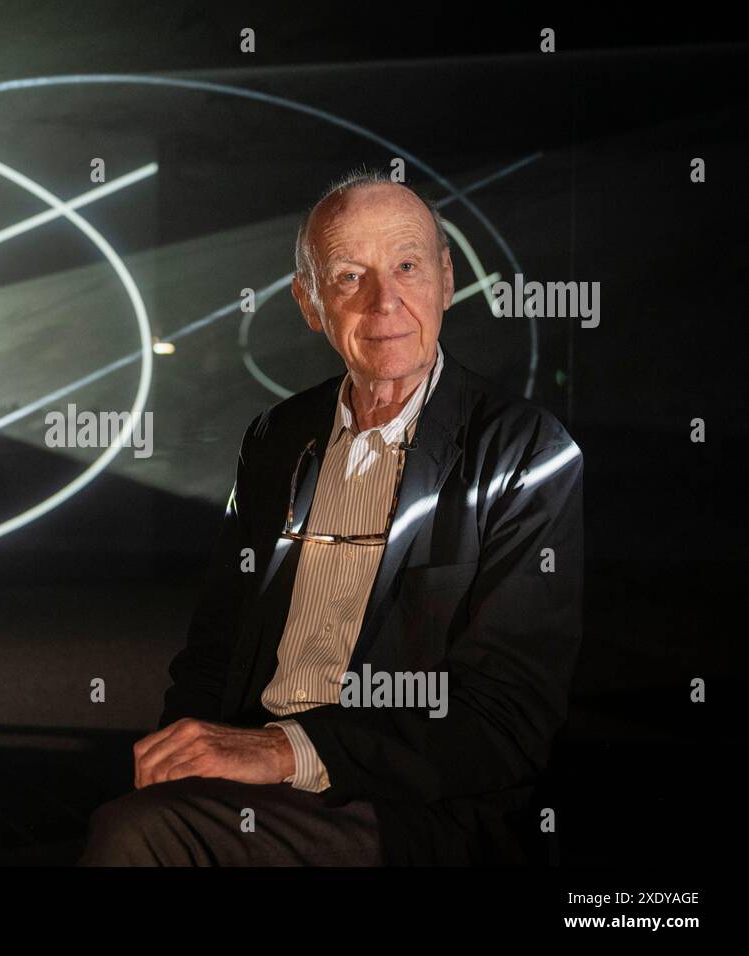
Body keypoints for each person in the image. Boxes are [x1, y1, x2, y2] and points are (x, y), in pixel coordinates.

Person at [78, 169, 584, 865]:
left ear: (445, 277)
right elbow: (216, 644)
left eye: (408, 265)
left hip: (403, 803)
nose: (386, 301)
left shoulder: (527, 452)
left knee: (136, 837)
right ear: (309, 302)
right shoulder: (276, 438)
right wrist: (187, 752)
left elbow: (508, 716)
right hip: (254, 784)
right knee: (140, 815)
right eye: (349, 277)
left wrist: (285, 751)